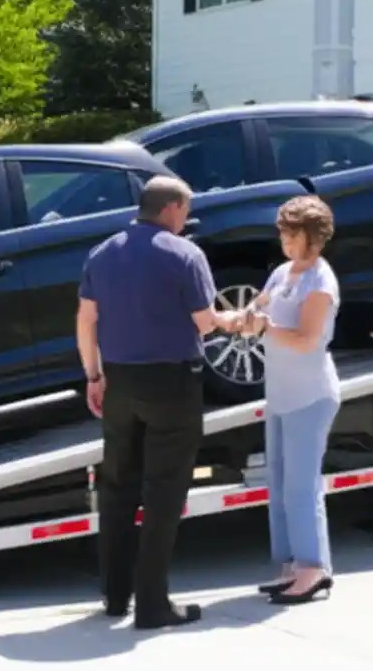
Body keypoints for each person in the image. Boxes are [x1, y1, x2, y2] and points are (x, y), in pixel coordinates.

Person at [76, 175, 241, 629]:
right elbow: (205, 323)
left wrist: (93, 374)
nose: (186, 220)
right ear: (171, 208)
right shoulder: (184, 254)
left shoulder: (102, 253)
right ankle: (152, 605)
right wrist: (239, 321)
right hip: (172, 382)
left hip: (119, 383)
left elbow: (86, 319)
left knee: (117, 488)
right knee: (164, 494)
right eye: (185, 211)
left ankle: (114, 597)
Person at [236, 194, 341, 605]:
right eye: (282, 230)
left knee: (301, 486)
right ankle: (291, 566)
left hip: (310, 396)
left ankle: (314, 569)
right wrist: (246, 316)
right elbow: (259, 305)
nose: (282, 238)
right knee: (279, 485)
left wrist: (264, 328)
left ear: (311, 237)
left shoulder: (321, 282)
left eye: (289, 231)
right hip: (280, 396)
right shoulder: (283, 273)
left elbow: (307, 339)